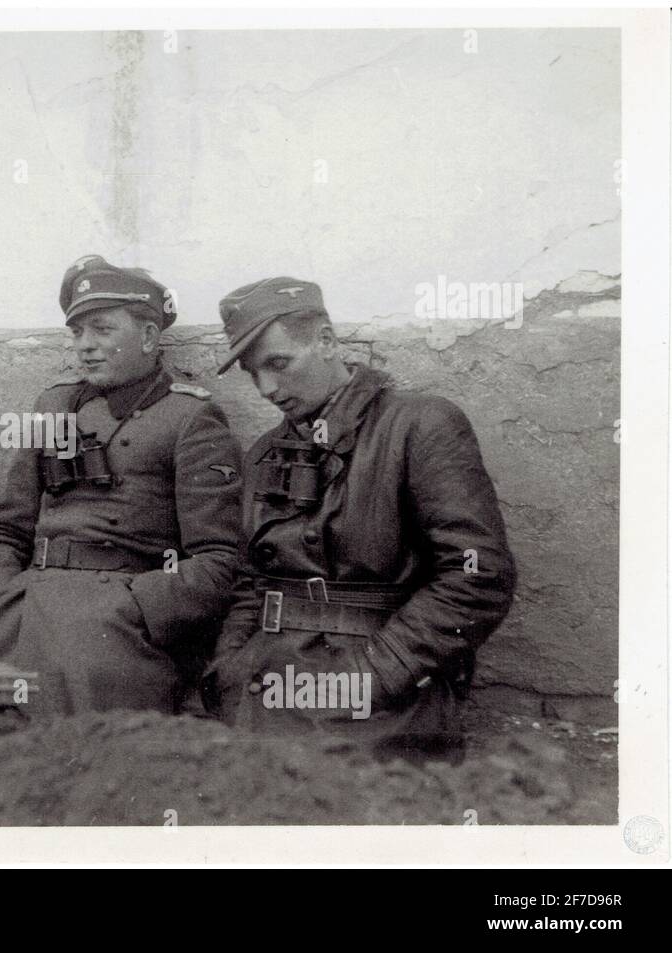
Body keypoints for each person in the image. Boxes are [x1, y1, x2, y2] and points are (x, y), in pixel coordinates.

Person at [202, 277, 516, 749]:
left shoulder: (418, 425)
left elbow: (478, 576)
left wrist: (376, 675)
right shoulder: (267, 452)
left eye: (278, 363)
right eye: (253, 373)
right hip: (263, 682)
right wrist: (230, 666)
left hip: (378, 693)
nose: (267, 388)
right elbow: (251, 580)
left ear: (326, 340)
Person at [0, 255, 245, 715]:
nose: (85, 346)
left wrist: (136, 608)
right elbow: (7, 530)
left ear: (149, 336)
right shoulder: (53, 407)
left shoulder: (189, 418)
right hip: (22, 604)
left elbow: (217, 561)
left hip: (116, 616)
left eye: (102, 330)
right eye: (77, 333)